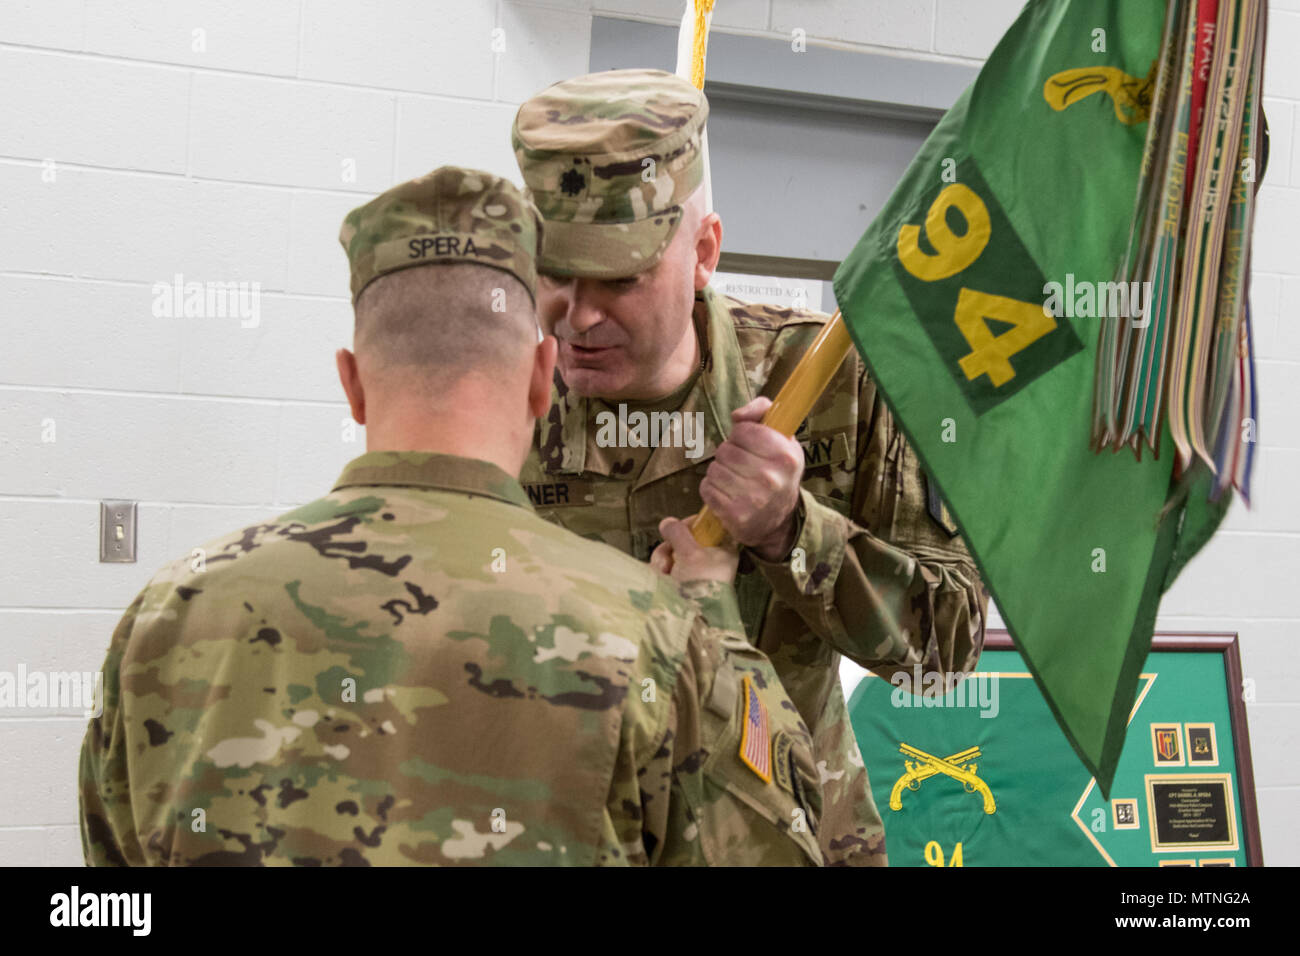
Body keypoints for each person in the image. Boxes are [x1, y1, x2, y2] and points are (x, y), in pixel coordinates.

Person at [78, 166, 825, 866]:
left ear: (352, 384)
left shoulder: (166, 620)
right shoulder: (656, 639)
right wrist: (714, 618)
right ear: (540, 380)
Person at [512, 69, 990, 867]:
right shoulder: (499, 401)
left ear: (704, 253)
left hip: (786, 838)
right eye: (555, 273)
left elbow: (945, 655)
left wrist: (793, 532)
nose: (580, 317)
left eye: (620, 279)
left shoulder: (827, 381)